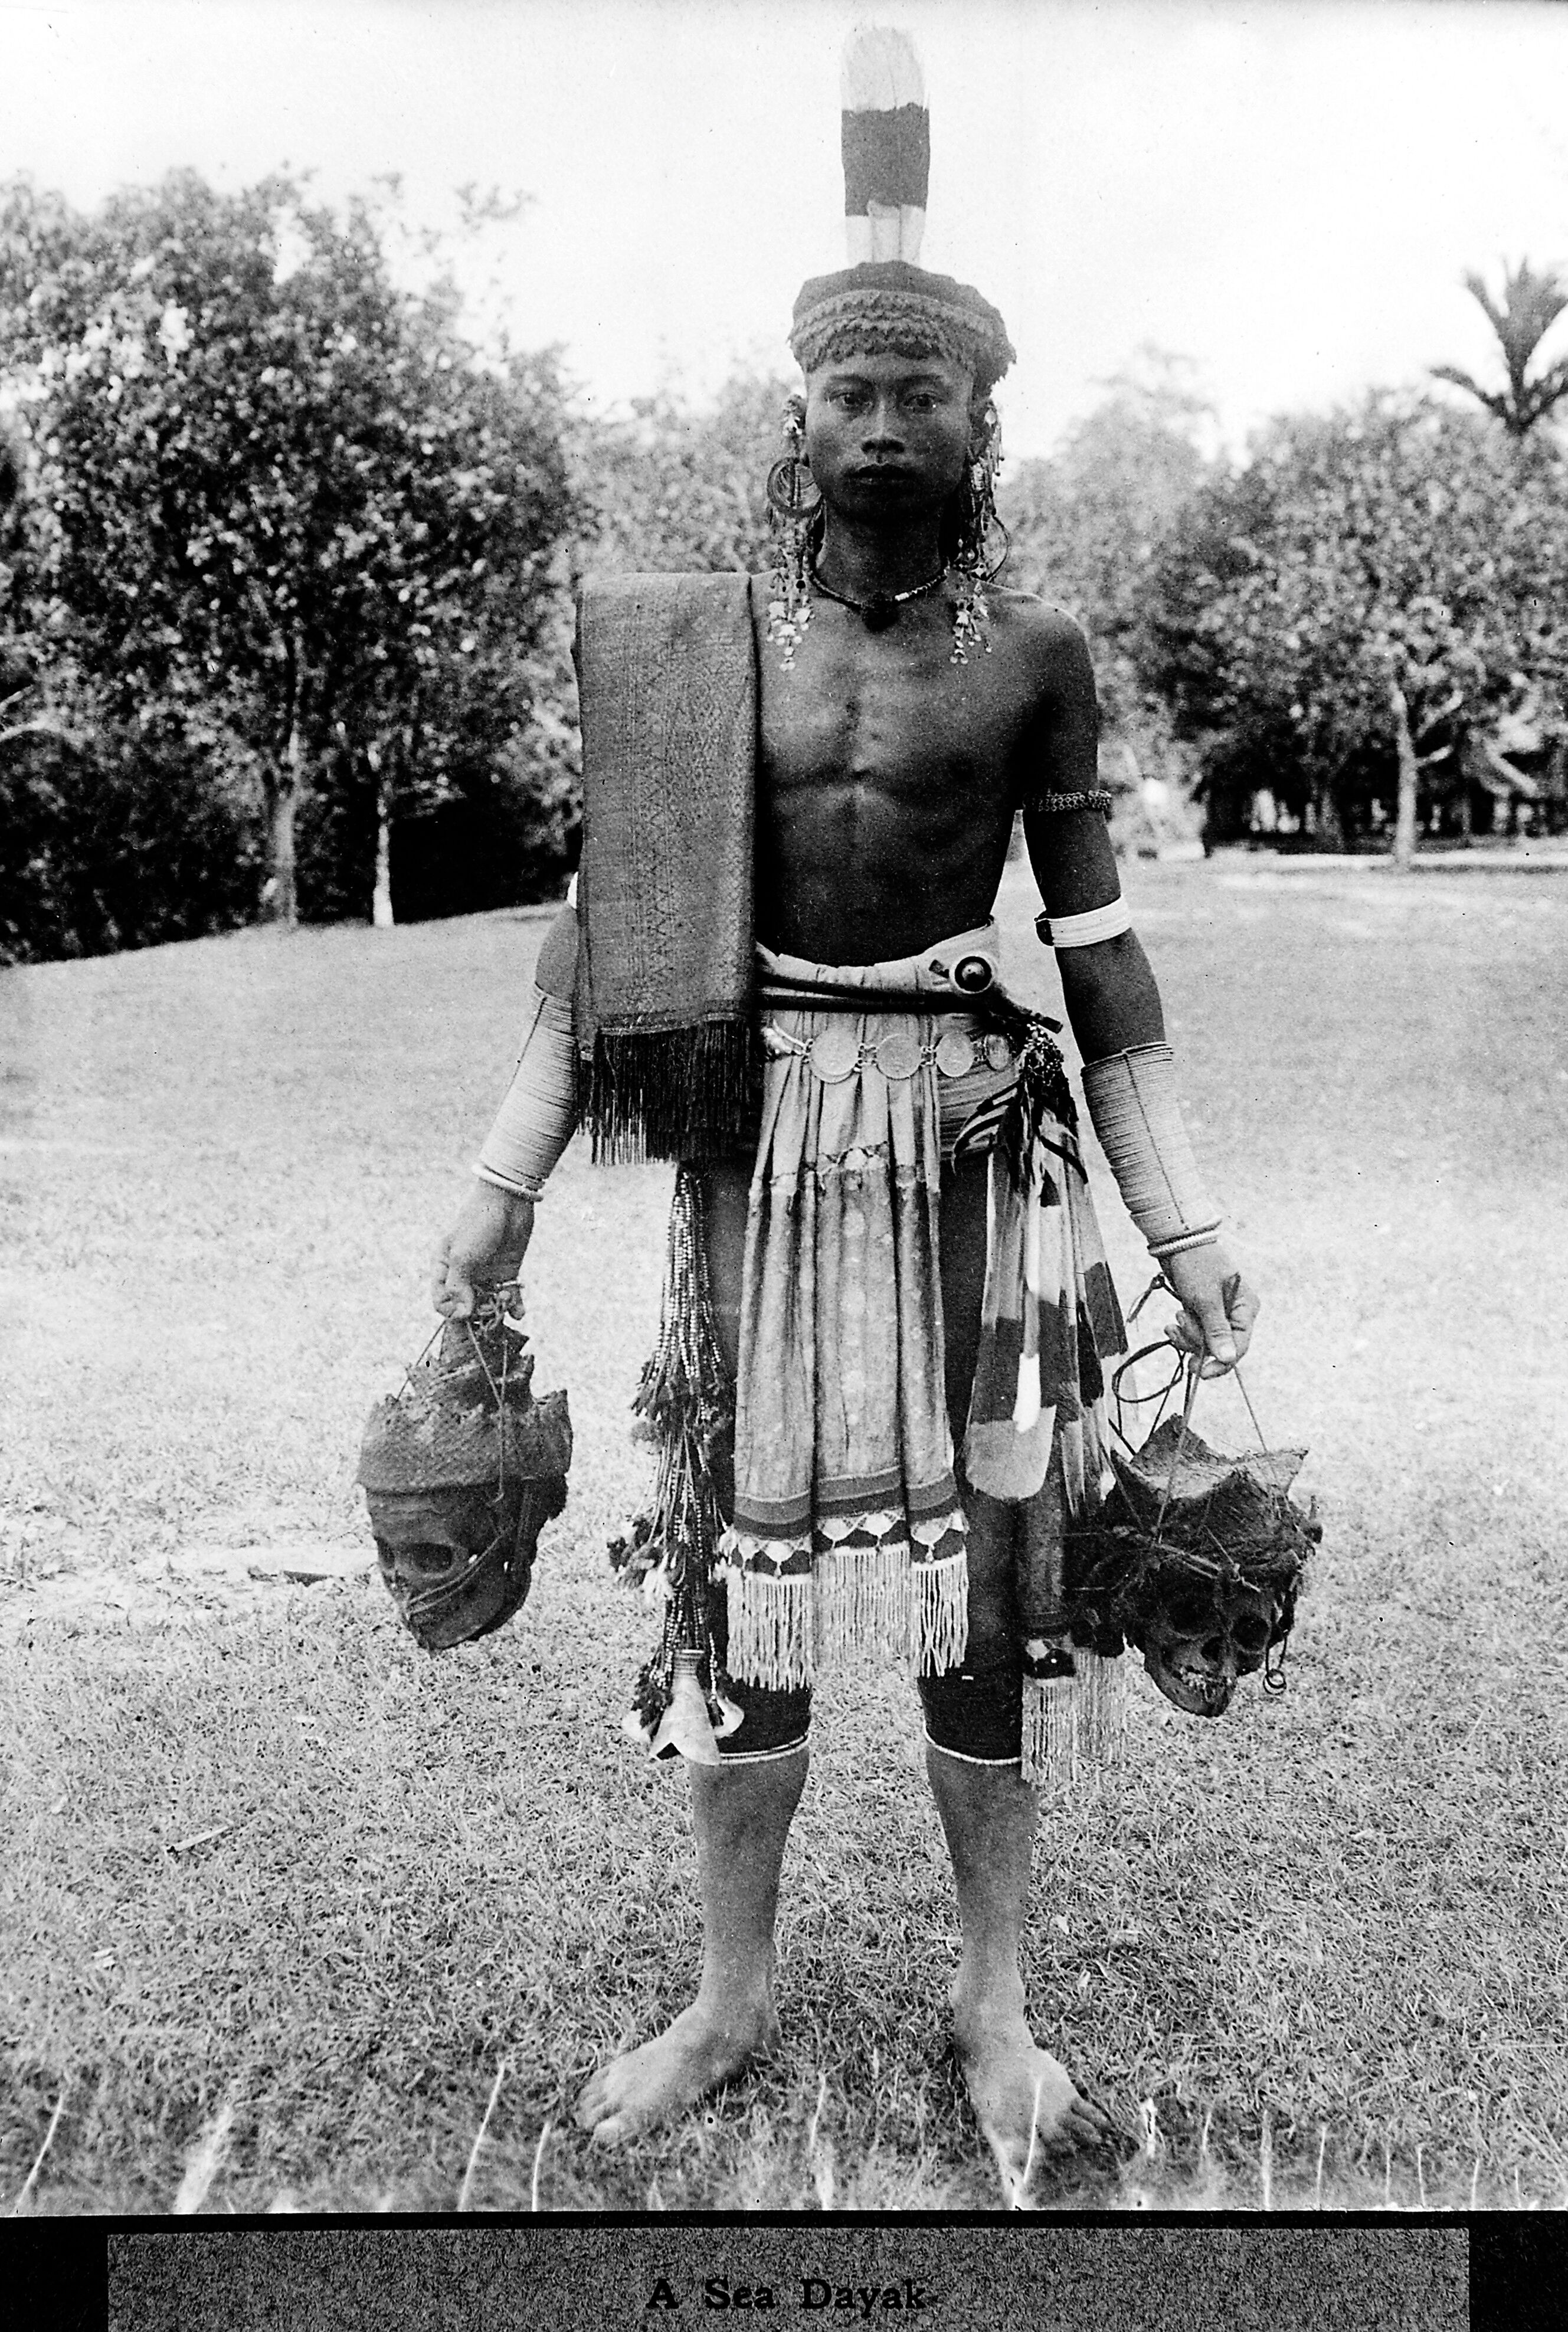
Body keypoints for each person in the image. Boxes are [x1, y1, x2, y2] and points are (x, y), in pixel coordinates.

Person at [430, 30, 1258, 2186]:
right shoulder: (705, 653)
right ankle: (730, 1996)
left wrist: (1180, 1223)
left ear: (987, 425)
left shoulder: (1038, 656)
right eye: (848, 392)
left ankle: (995, 2011)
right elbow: (607, 934)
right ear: (795, 416)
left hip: (979, 1165)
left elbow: (1093, 949)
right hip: (762, 1168)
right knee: (737, 1582)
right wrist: (495, 1191)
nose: (882, 424)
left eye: (924, 394)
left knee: (998, 1580)